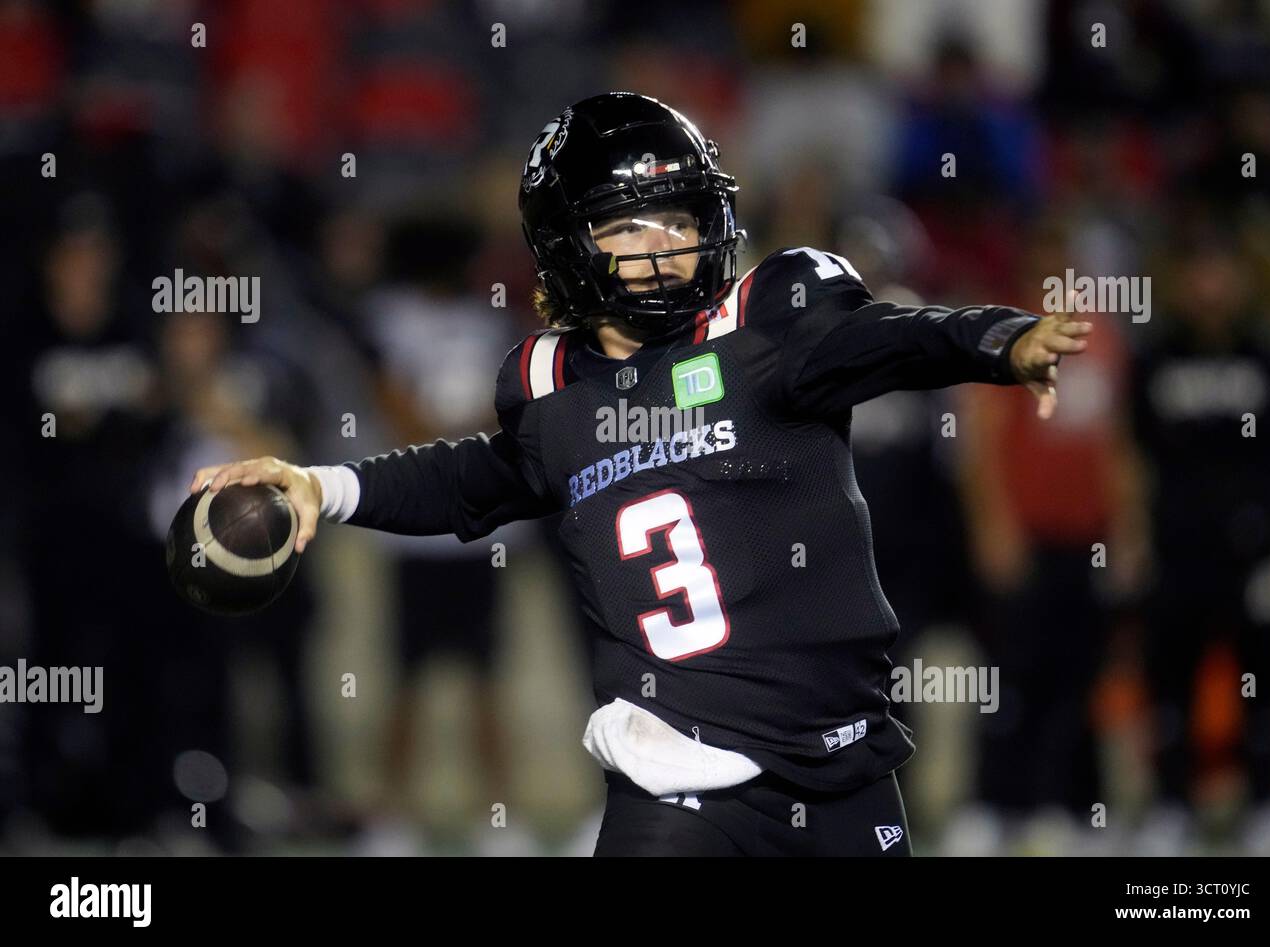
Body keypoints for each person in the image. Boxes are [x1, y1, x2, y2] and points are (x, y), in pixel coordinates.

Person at [189, 92, 1091, 856]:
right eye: (629, 225)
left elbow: (886, 340)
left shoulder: (769, 321)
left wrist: (997, 340)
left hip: (846, 767)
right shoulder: (552, 392)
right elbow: (473, 479)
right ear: (567, 244)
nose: (665, 245)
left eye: (681, 218)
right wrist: (324, 484)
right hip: (680, 790)